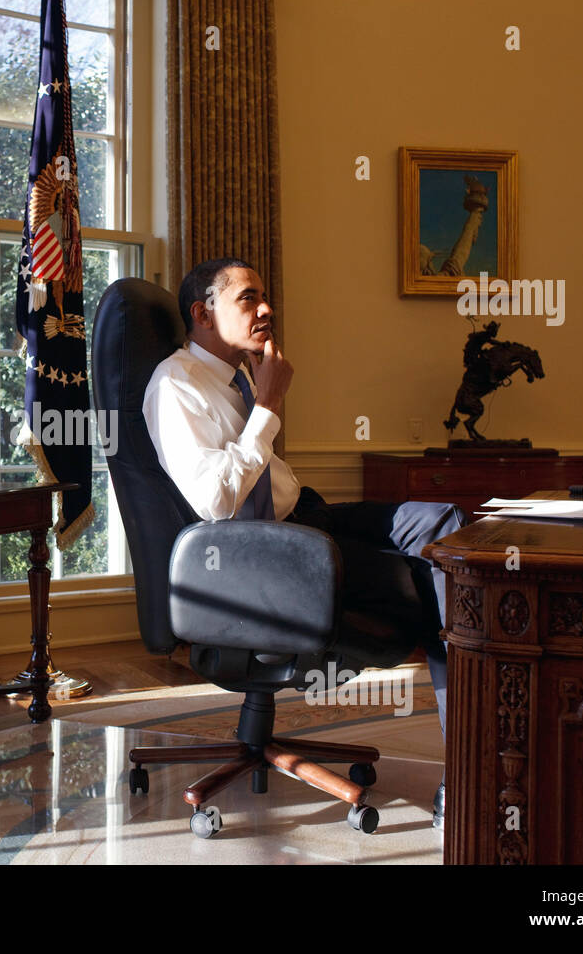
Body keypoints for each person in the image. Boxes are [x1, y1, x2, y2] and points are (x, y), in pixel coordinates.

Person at [142, 257, 465, 828]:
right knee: (432, 580)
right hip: (259, 559)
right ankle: (471, 764)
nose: (266, 309)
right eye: (248, 299)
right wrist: (267, 407)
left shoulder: (238, 374)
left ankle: (475, 728)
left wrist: (260, 397)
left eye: (265, 297)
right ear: (203, 313)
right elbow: (216, 503)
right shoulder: (175, 386)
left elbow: (268, 480)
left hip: (305, 518)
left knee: (443, 526)